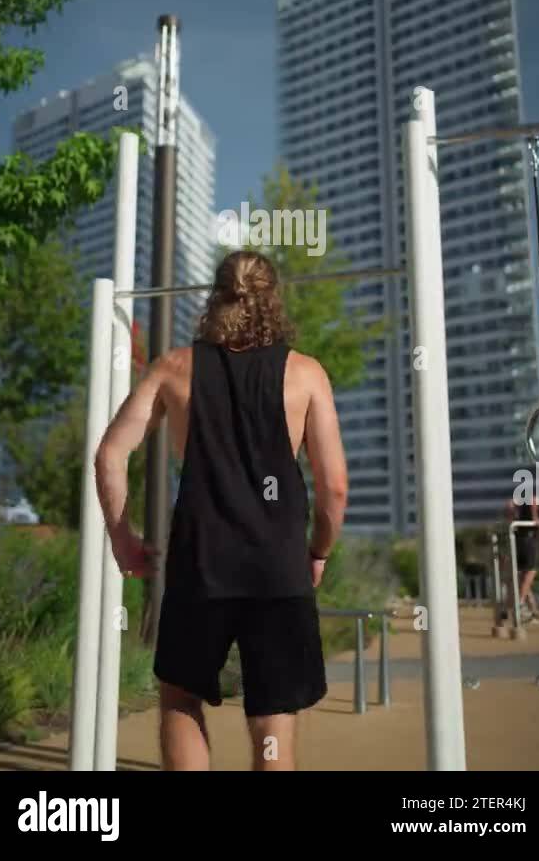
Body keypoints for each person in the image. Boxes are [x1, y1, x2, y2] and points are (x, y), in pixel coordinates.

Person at [95, 250, 349, 771]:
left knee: (182, 697)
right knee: (274, 709)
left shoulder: (174, 368)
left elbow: (110, 455)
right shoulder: (305, 374)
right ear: (273, 297)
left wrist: (123, 539)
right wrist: (318, 551)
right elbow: (336, 487)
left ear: (215, 296)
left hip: (200, 564)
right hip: (278, 568)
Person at [506, 493, 539, 623]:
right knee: (530, 572)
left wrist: (511, 518)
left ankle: (530, 611)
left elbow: (510, 503)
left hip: (518, 538)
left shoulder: (520, 499)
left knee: (522, 577)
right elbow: (534, 500)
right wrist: (535, 517)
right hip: (527, 537)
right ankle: (519, 606)